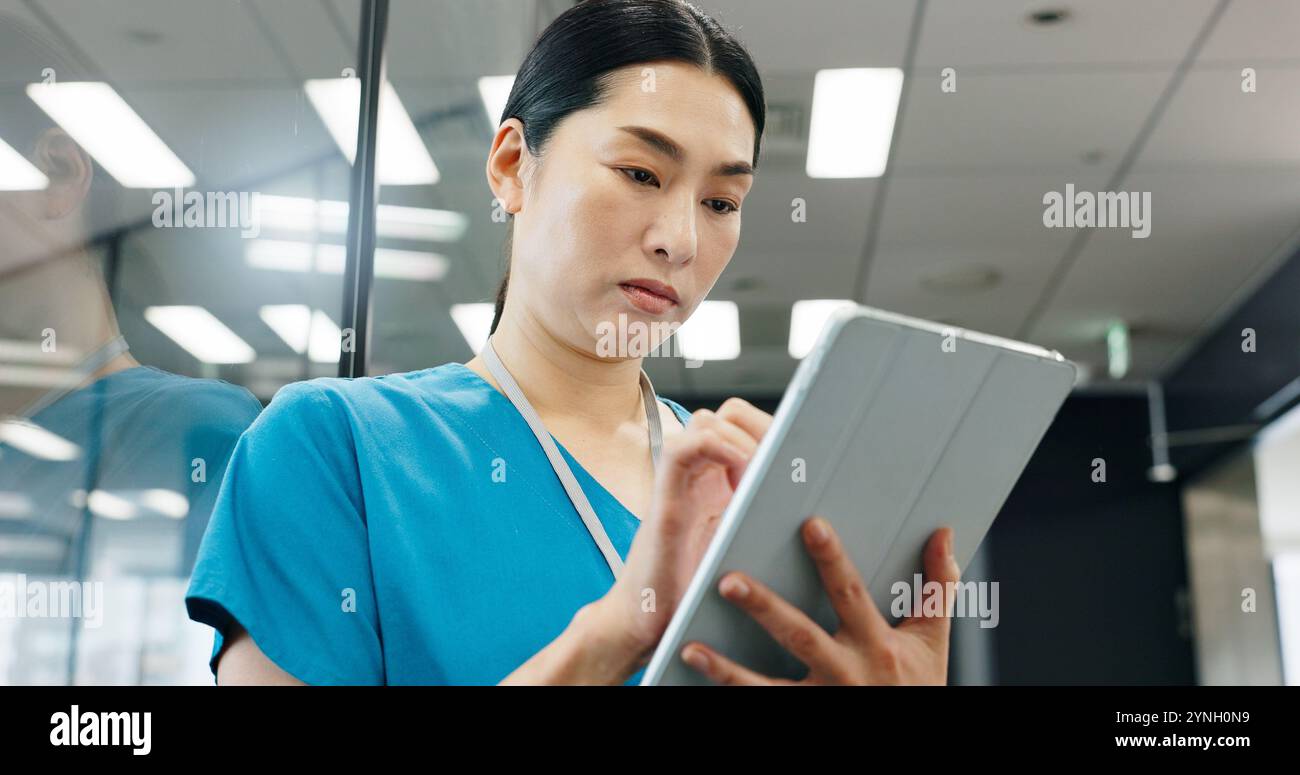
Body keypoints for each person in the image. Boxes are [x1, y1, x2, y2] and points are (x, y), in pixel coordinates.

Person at [185, 0, 961, 686]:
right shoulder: (335, 447)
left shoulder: (746, 482)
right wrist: (610, 634)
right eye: (640, 172)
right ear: (513, 164)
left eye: (722, 200)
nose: (682, 240)